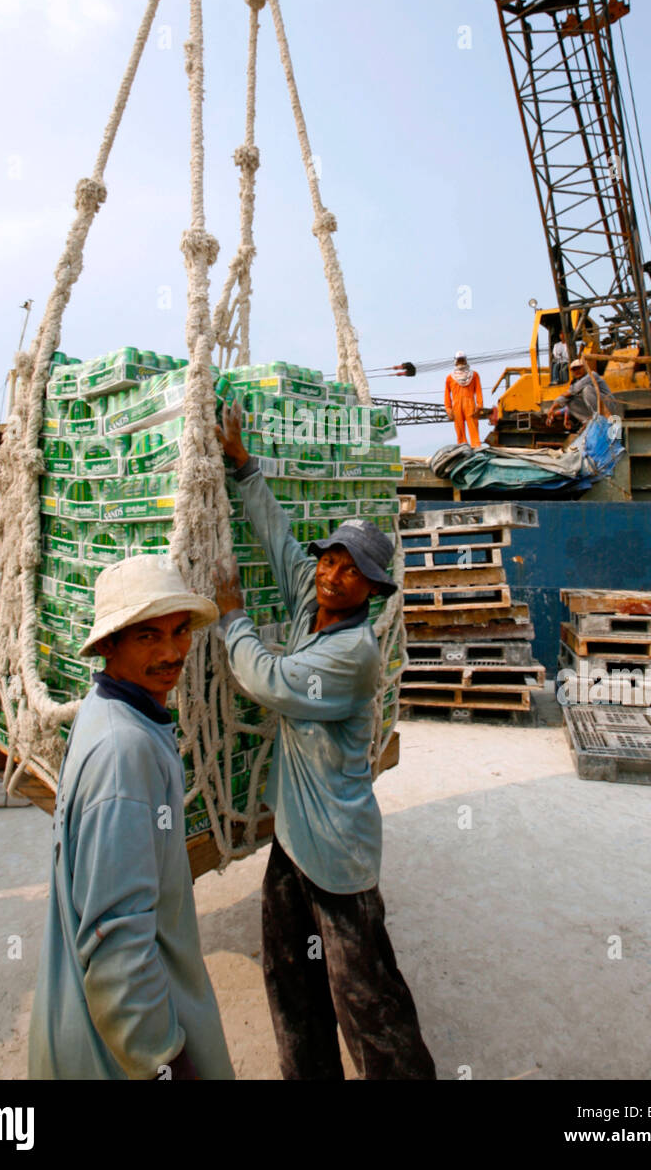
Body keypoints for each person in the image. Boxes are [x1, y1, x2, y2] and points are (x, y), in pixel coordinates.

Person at [213, 400, 436, 1081]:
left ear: (373, 586)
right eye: (330, 560)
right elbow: (281, 541)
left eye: (348, 569)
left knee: (366, 997)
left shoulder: (352, 654)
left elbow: (272, 680)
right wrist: (244, 465)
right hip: (293, 840)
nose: (330, 573)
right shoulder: (316, 606)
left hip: (337, 854)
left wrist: (232, 620)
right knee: (290, 981)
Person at [28, 555, 235, 1081]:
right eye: (147, 637)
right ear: (107, 646)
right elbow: (117, 940)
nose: (172, 653)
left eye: (180, 631)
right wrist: (163, 1060)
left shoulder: (108, 710)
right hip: (120, 1057)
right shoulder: (125, 752)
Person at [546, 356, 616, 431]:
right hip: (595, 407)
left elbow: (573, 390)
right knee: (570, 401)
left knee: (587, 389)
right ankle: (587, 421)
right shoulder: (575, 383)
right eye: (574, 369)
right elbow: (566, 397)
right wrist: (552, 409)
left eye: (579, 368)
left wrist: (567, 394)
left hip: (608, 405)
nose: (577, 371)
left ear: (584, 368)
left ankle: (598, 419)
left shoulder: (592, 375)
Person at [444, 350, 483, 447]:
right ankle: (463, 449)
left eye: (462, 360)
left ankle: (476, 447)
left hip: (470, 404)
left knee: (473, 429)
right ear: (455, 361)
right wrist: (448, 408)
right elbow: (447, 394)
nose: (460, 362)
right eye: (459, 360)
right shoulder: (450, 378)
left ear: (465, 360)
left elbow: (478, 391)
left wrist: (479, 405)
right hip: (456, 405)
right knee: (459, 430)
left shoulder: (474, 375)